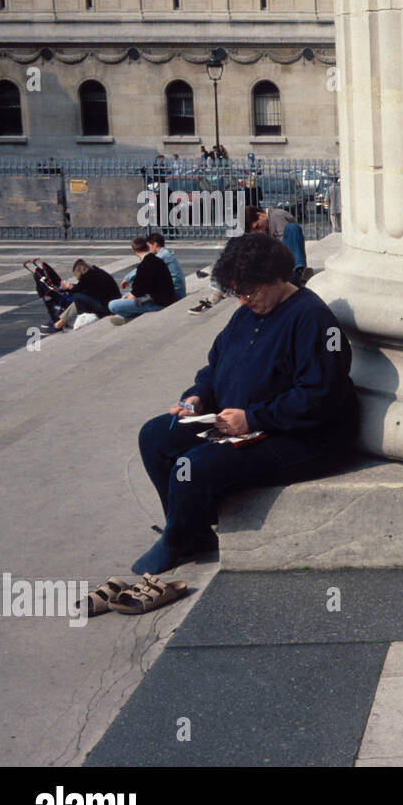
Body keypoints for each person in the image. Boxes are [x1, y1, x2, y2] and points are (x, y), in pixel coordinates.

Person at [132, 232, 359, 574]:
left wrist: (253, 419)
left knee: (194, 466)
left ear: (276, 278)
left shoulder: (312, 318)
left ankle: (177, 539)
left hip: (302, 437)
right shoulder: (248, 313)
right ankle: (189, 529)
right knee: (154, 436)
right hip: (243, 423)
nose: (243, 300)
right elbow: (216, 365)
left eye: (249, 291)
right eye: (237, 292)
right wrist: (196, 397)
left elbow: (318, 396)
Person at [107, 237, 178, 321]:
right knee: (123, 296)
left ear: (133, 250)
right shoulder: (157, 260)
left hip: (157, 303)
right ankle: (129, 315)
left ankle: (129, 316)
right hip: (164, 298)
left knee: (112, 305)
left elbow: (135, 293)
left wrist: (124, 299)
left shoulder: (144, 266)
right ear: (148, 247)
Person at [246, 205, 311, 285]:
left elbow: (283, 244)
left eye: (257, 227)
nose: (259, 231)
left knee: (292, 228)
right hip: (280, 262)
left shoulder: (277, 216)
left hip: (289, 259)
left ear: (260, 215)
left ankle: (298, 272)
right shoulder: (266, 226)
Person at [52, 259, 120, 330]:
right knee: (79, 298)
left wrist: (68, 288)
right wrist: (70, 287)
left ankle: (66, 321)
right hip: (113, 302)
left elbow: (77, 292)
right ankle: (60, 322)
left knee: (77, 297)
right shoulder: (97, 272)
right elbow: (83, 289)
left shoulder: (87, 277)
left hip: (106, 309)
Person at [146, 231, 188, 301]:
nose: (148, 249)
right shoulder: (165, 253)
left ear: (155, 244)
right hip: (177, 290)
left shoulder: (163, 255)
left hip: (175, 293)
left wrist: (127, 278)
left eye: (148, 246)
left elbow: (145, 267)